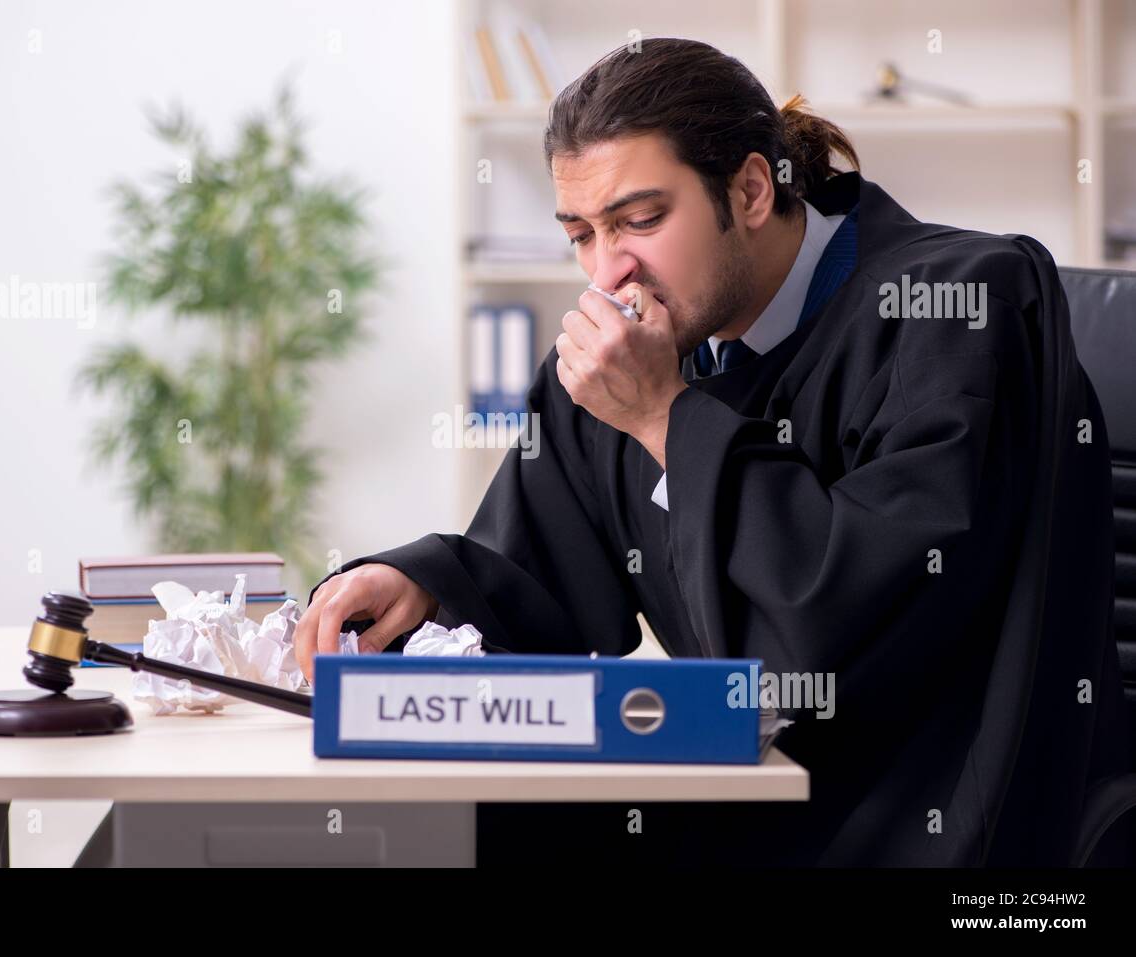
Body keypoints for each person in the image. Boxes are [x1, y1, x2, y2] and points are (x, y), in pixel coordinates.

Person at [295, 38, 1131, 865]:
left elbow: (833, 636)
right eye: (581, 232)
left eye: (642, 220)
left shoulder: (958, 310)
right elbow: (536, 578)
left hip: (924, 825)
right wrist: (423, 587)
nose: (609, 272)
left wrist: (668, 417)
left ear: (752, 189)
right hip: (726, 802)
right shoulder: (636, 348)